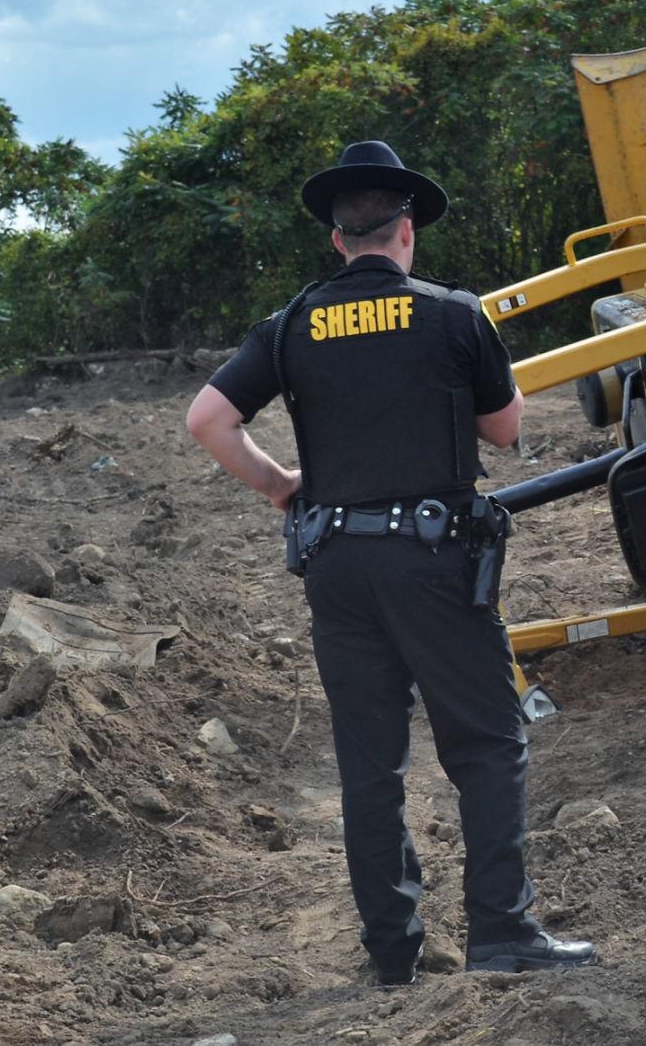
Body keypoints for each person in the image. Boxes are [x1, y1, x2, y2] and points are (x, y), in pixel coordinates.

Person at [185, 141, 595, 982]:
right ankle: (502, 934)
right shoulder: (452, 313)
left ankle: (391, 952)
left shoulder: (294, 322)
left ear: (339, 240)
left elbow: (207, 420)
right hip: (435, 559)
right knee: (485, 745)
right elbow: (506, 430)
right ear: (406, 230)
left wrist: (280, 488)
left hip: (336, 563)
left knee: (370, 763)